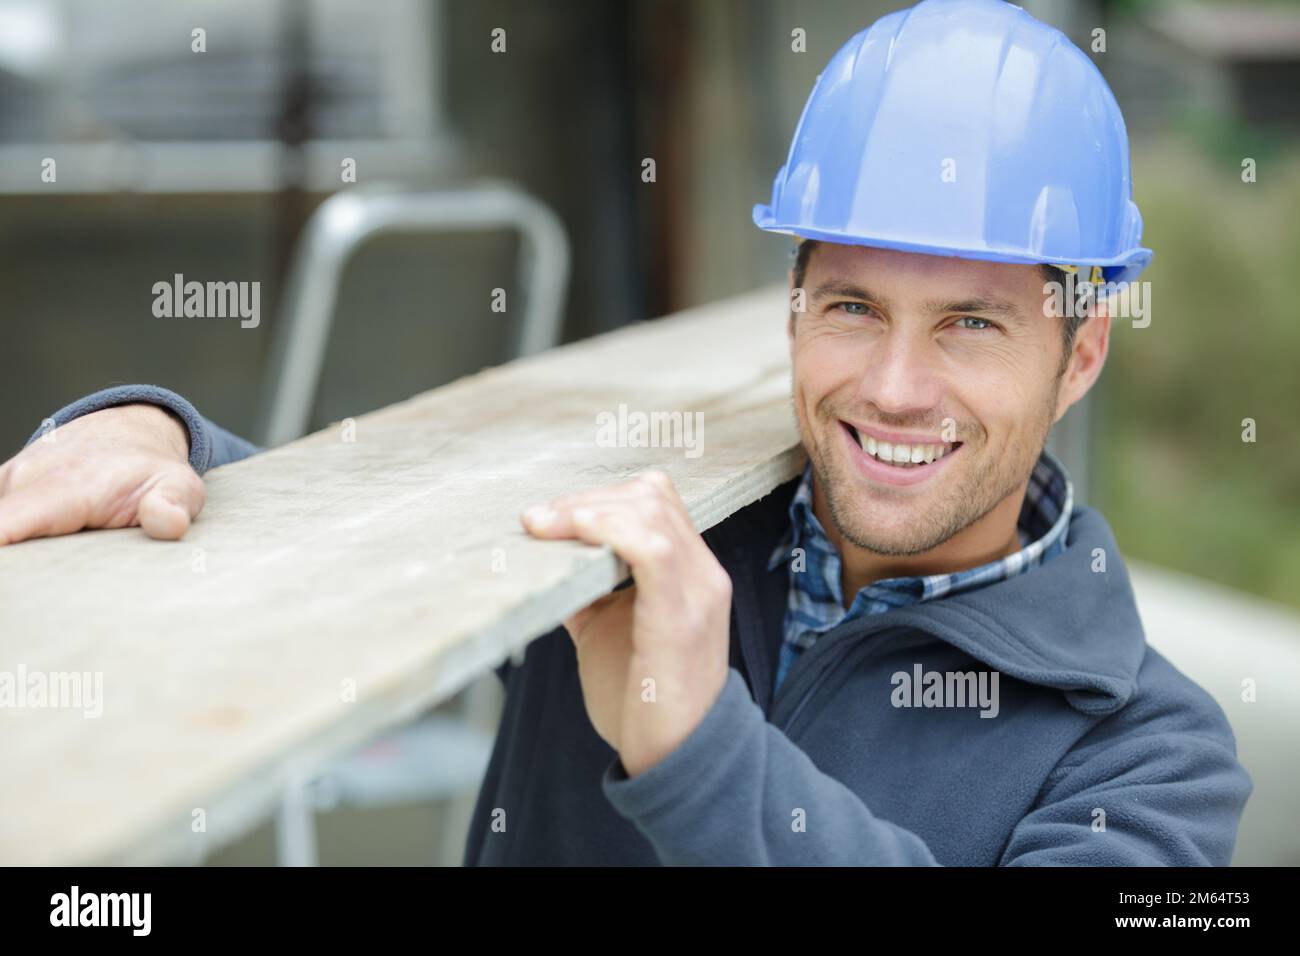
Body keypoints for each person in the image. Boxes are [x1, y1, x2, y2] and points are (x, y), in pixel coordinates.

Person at [0, 0, 1250, 865]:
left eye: (971, 326)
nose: (894, 386)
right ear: (794, 306)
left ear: (1079, 351)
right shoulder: (661, 528)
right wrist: (158, 434)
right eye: (851, 307)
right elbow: (360, 543)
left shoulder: (1150, 753)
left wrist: (696, 747)